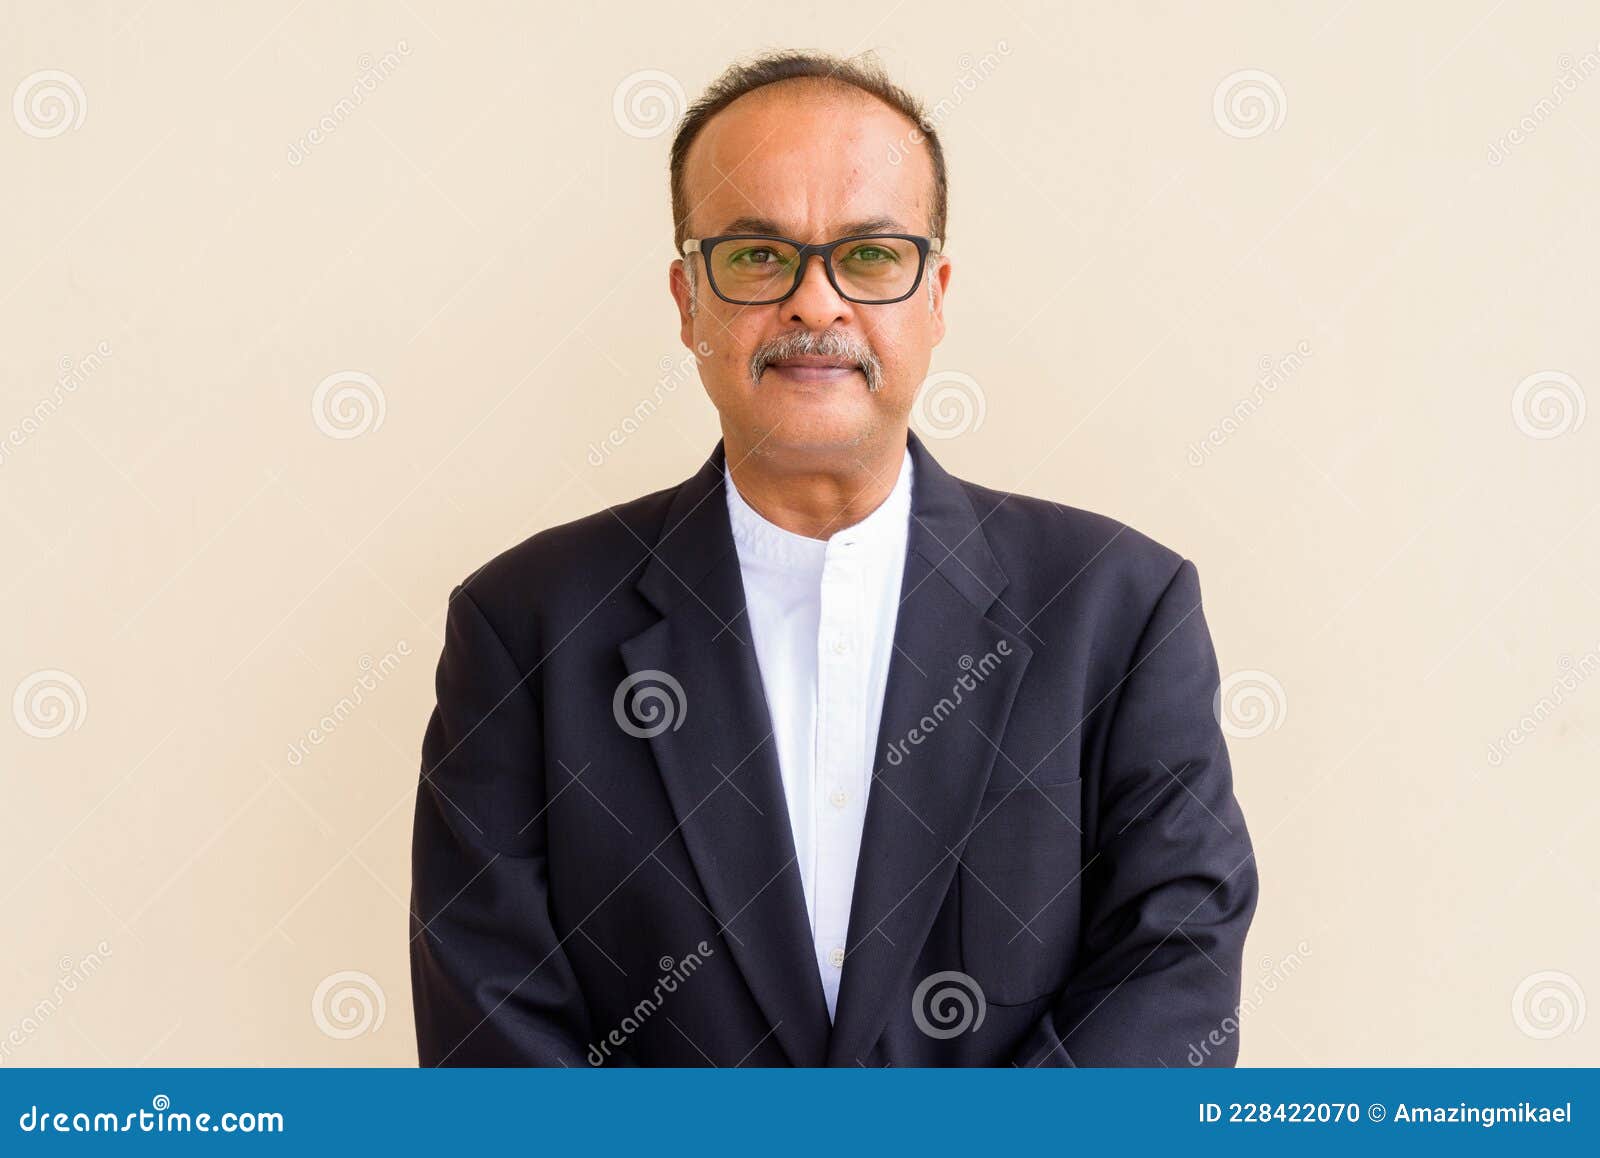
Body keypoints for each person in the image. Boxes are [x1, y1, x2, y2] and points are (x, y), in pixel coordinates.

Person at [409, 50, 1258, 1067]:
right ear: (688, 302)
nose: (815, 305)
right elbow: (491, 1026)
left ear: (934, 295)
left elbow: (1172, 974)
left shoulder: (1118, 607)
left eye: (867, 256)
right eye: (758, 257)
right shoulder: (525, 626)